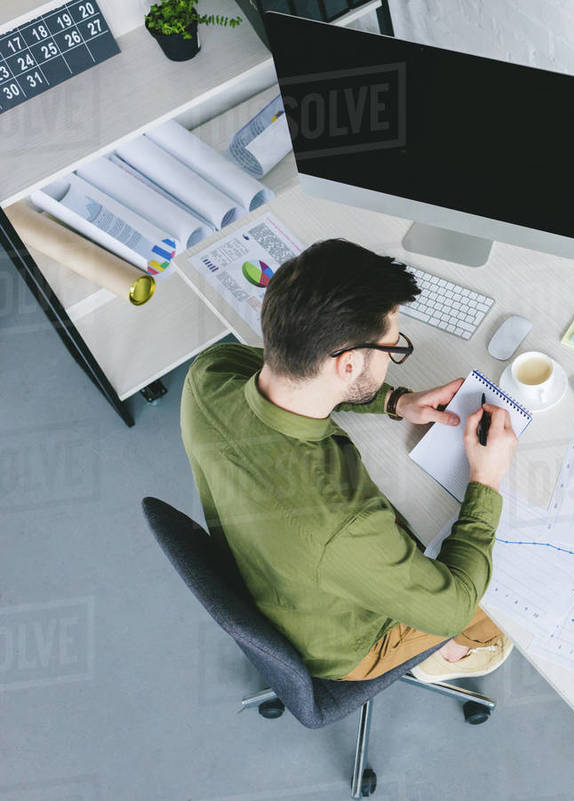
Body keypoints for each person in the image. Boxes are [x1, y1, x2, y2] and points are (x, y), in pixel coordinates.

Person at [179, 238, 519, 683]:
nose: (394, 359)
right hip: (346, 645)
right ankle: (446, 658)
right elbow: (452, 606)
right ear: (348, 365)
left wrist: (396, 401)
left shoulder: (208, 376)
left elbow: (293, 378)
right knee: (502, 619)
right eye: (393, 349)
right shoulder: (344, 525)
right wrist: (486, 480)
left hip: (271, 566)